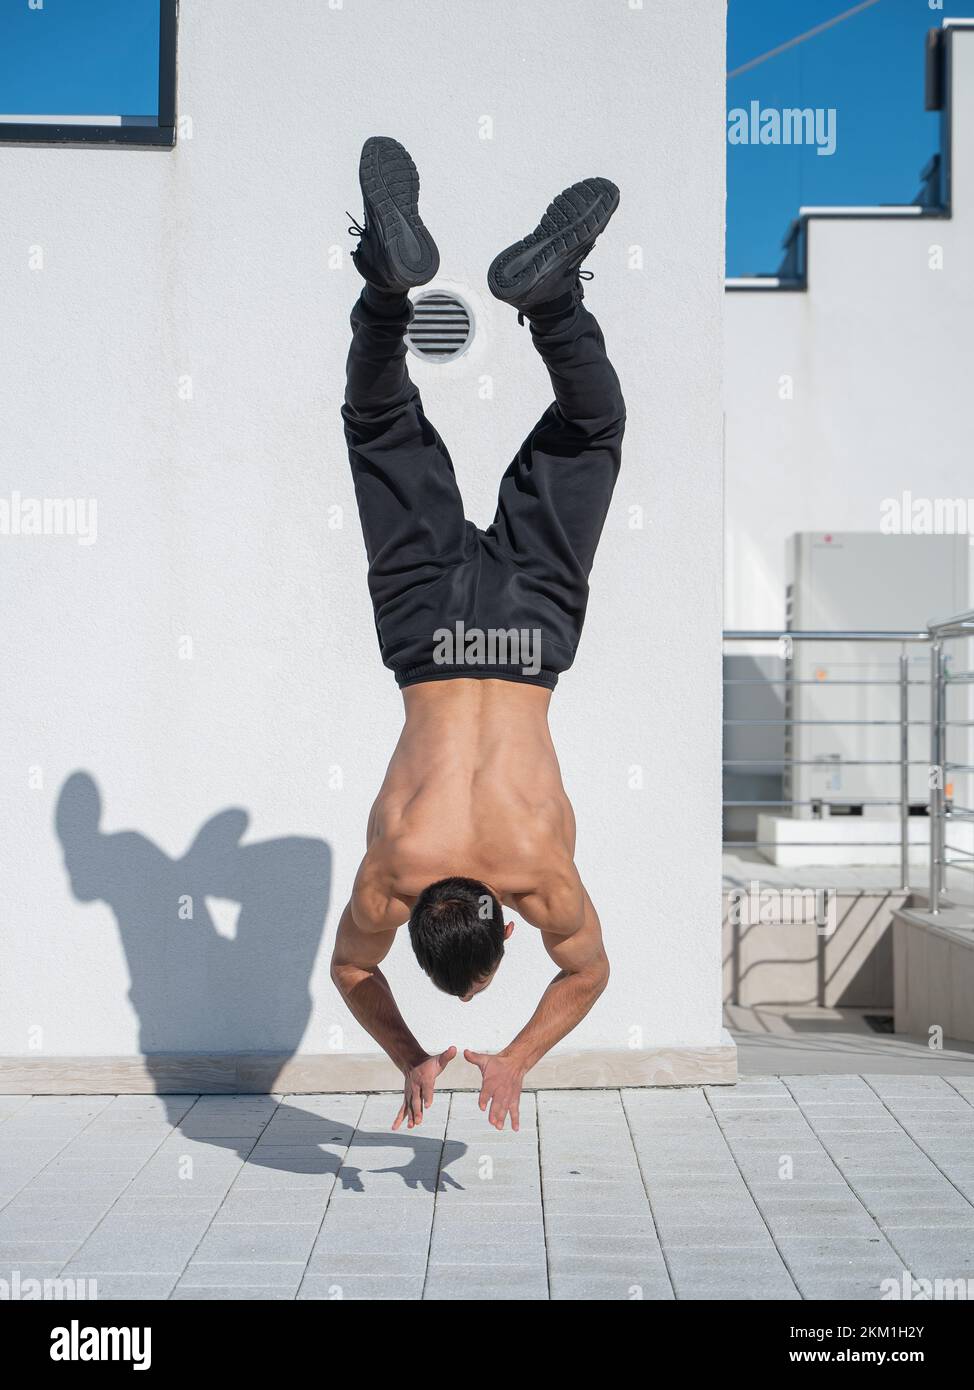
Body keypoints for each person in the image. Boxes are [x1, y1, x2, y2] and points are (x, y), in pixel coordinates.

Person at [330, 136, 625, 1132]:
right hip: (424, 636)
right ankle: (386, 284)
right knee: (378, 424)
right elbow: (348, 968)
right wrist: (413, 1051)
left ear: (501, 922)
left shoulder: (538, 873)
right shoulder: (391, 877)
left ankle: (551, 304)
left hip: (529, 639)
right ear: (423, 919)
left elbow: (586, 972)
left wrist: (508, 1059)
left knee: (589, 429)